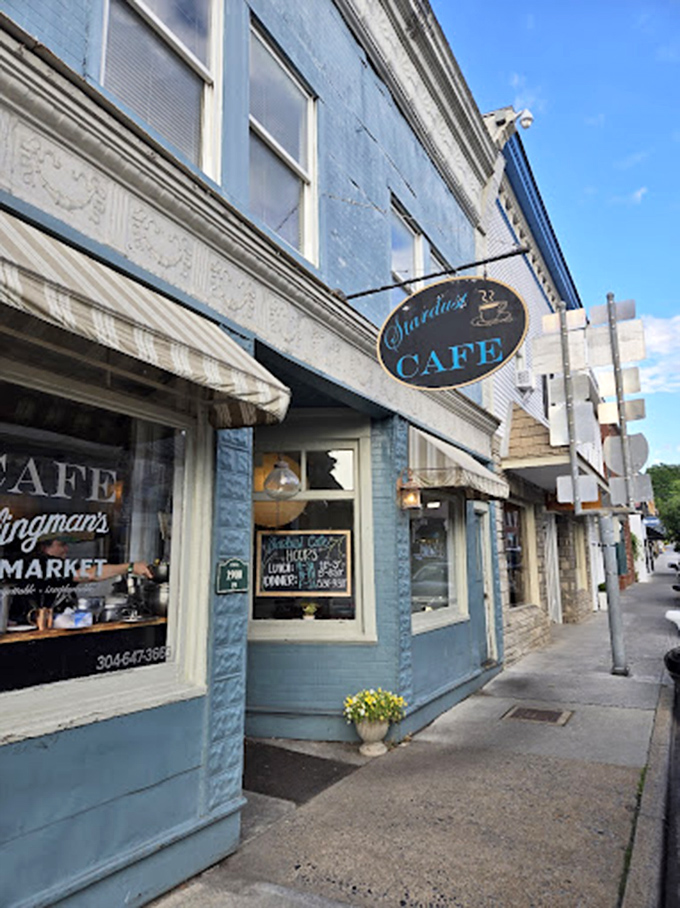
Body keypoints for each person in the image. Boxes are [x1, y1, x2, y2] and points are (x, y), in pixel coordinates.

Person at [8, 535, 153, 625]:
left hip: (38, 623)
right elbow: (90, 574)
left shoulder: (54, 565)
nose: (66, 549)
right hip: (27, 625)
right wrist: (130, 567)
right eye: (61, 545)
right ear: (44, 547)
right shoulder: (43, 563)